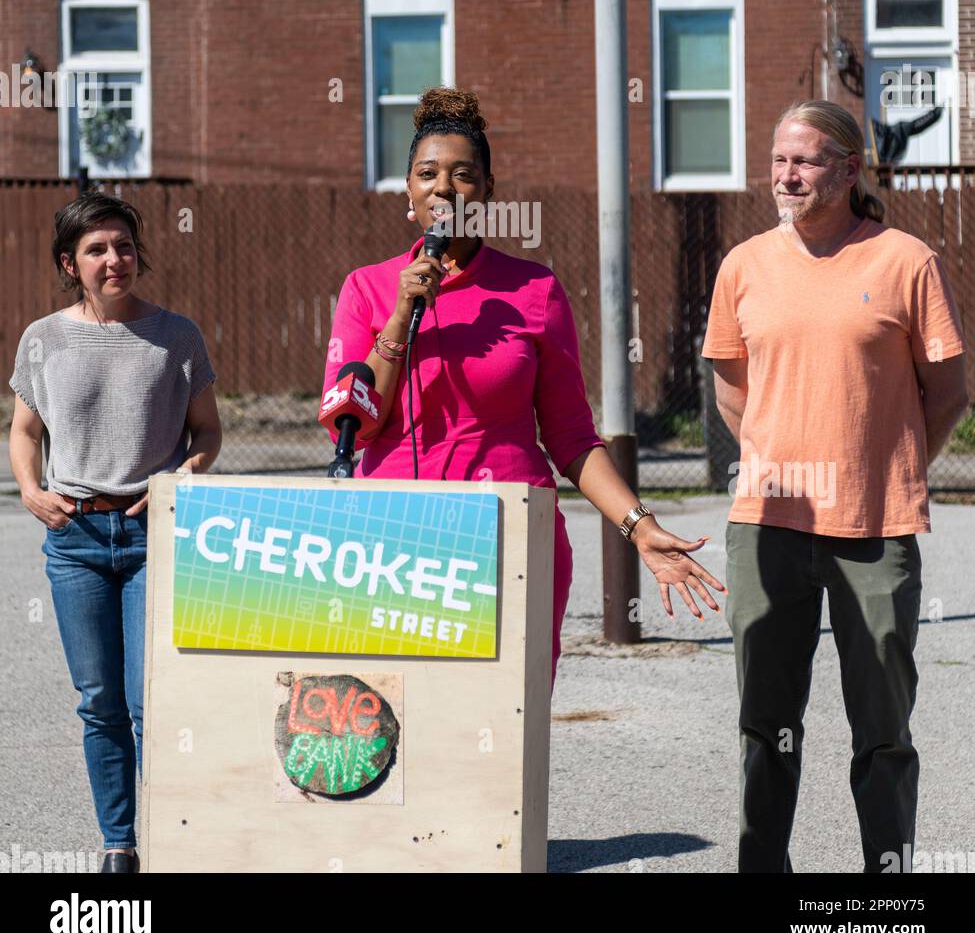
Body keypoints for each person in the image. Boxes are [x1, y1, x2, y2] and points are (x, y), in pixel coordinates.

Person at [322, 87, 726, 685]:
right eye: (427, 173)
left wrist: (639, 527)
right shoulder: (368, 289)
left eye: (464, 175)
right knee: (396, 736)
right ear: (408, 193)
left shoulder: (533, 290)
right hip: (392, 542)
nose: (444, 187)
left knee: (501, 737)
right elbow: (355, 422)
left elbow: (571, 438)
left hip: (510, 538)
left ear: (487, 191)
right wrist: (399, 317)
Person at [702, 100, 969, 873]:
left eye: (806, 160)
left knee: (882, 726)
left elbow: (947, 390)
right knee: (765, 723)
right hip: (767, 524)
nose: (786, 174)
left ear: (850, 170)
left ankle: (883, 891)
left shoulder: (904, 261)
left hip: (874, 526)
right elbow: (730, 388)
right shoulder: (744, 265)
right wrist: (782, 450)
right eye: (779, 158)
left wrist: (889, 463)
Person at [7, 193, 222, 873]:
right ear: (70, 263)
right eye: (97, 250)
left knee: (145, 700)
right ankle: (119, 845)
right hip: (73, 539)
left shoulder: (176, 335)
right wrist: (31, 491)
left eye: (124, 246)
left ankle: (174, 835)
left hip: (151, 533)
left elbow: (209, 430)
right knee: (98, 699)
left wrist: (183, 475)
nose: (114, 260)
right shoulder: (43, 338)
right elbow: (24, 431)